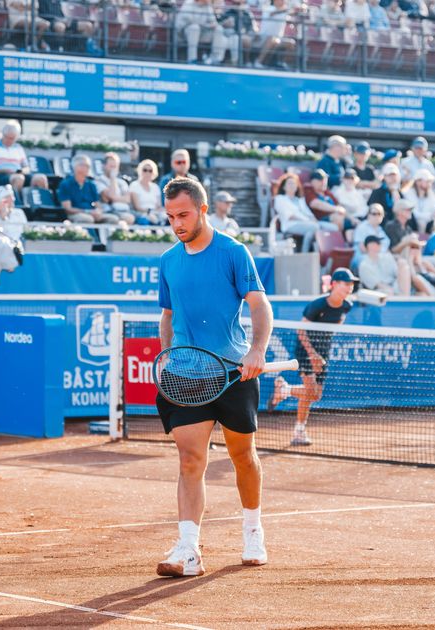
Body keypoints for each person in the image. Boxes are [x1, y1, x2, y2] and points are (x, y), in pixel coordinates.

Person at [155, 176, 272, 577]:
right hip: (185, 375)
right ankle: (188, 549)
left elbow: (259, 305)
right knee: (190, 460)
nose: (177, 224)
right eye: (171, 217)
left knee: (243, 457)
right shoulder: (168, 260)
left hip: (233, 373)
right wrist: (167, 354)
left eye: (184, 215)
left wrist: (257, 350)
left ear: (203, 210)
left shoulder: (233, 252)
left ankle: (253, 530)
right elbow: (168, 315)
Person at [268, 267, 355, 447]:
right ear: (334, 284)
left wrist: (321, 354)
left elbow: (333, 329)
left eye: (351, 284)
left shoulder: (347, 306)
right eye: (346, 283)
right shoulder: (317, 305)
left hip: (323, 352)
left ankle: (286, 391)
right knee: (311, 391)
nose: (349, 287)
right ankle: (299, 430)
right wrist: (313, 355)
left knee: (315, 395)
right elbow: (301, 330)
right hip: (305, 350)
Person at [274, 172, 336, 252]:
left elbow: (308, 213)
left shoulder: (300, 200)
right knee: (314, 227)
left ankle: (324, 252)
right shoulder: (279, 199)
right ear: (284, 187)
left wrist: (313, 219)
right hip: (291, 225)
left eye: (294, 183)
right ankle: (306, 252)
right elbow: (290, 216)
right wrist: (308, 221)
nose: (292, 185)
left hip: (309, 223)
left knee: (333, 228)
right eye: (289, 183)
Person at [58, 155, 118, 225]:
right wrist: (87, 212)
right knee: (87, 219)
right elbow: (67, 209)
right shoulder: (66, 184)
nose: (88, 169)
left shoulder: (91, 185)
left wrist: (98, 211)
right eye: (85, 166)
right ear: (76, 167)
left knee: (113, 219)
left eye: (88, 166)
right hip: (75, 214)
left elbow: (98, 204)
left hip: (91, 213)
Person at [0, 121, 31, 193]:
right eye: (7, 137)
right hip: (1, 176)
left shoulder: (19, 148)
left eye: (12, 138)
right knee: (19, 178)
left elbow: (27, 168)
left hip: (18, 174)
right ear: (3, 135)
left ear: (16, 137)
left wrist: (21, 171)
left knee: (40, 178)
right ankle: (16, 199)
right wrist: (3, 170)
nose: (9, 140)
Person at [253, 0, 298, 70]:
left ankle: (282, 62)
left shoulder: (284, 11)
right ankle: (258, 62)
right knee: (272, 39)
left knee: (291, 43)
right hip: (263, 38)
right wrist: (288, 9)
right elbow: (273, 13)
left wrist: (298, 11)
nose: (283, 1)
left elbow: (291, 17)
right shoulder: (269, 8)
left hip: (277, 39)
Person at [131, 159, 167, 225]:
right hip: (140, 213)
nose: (147, 173)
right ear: (140, 171)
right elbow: (137, 207)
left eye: (150, 171)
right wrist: (150, 211)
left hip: (155, 213)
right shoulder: (134, 185)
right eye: (145, 170)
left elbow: (158, 205)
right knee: (151, 219)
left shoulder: (155, 187)